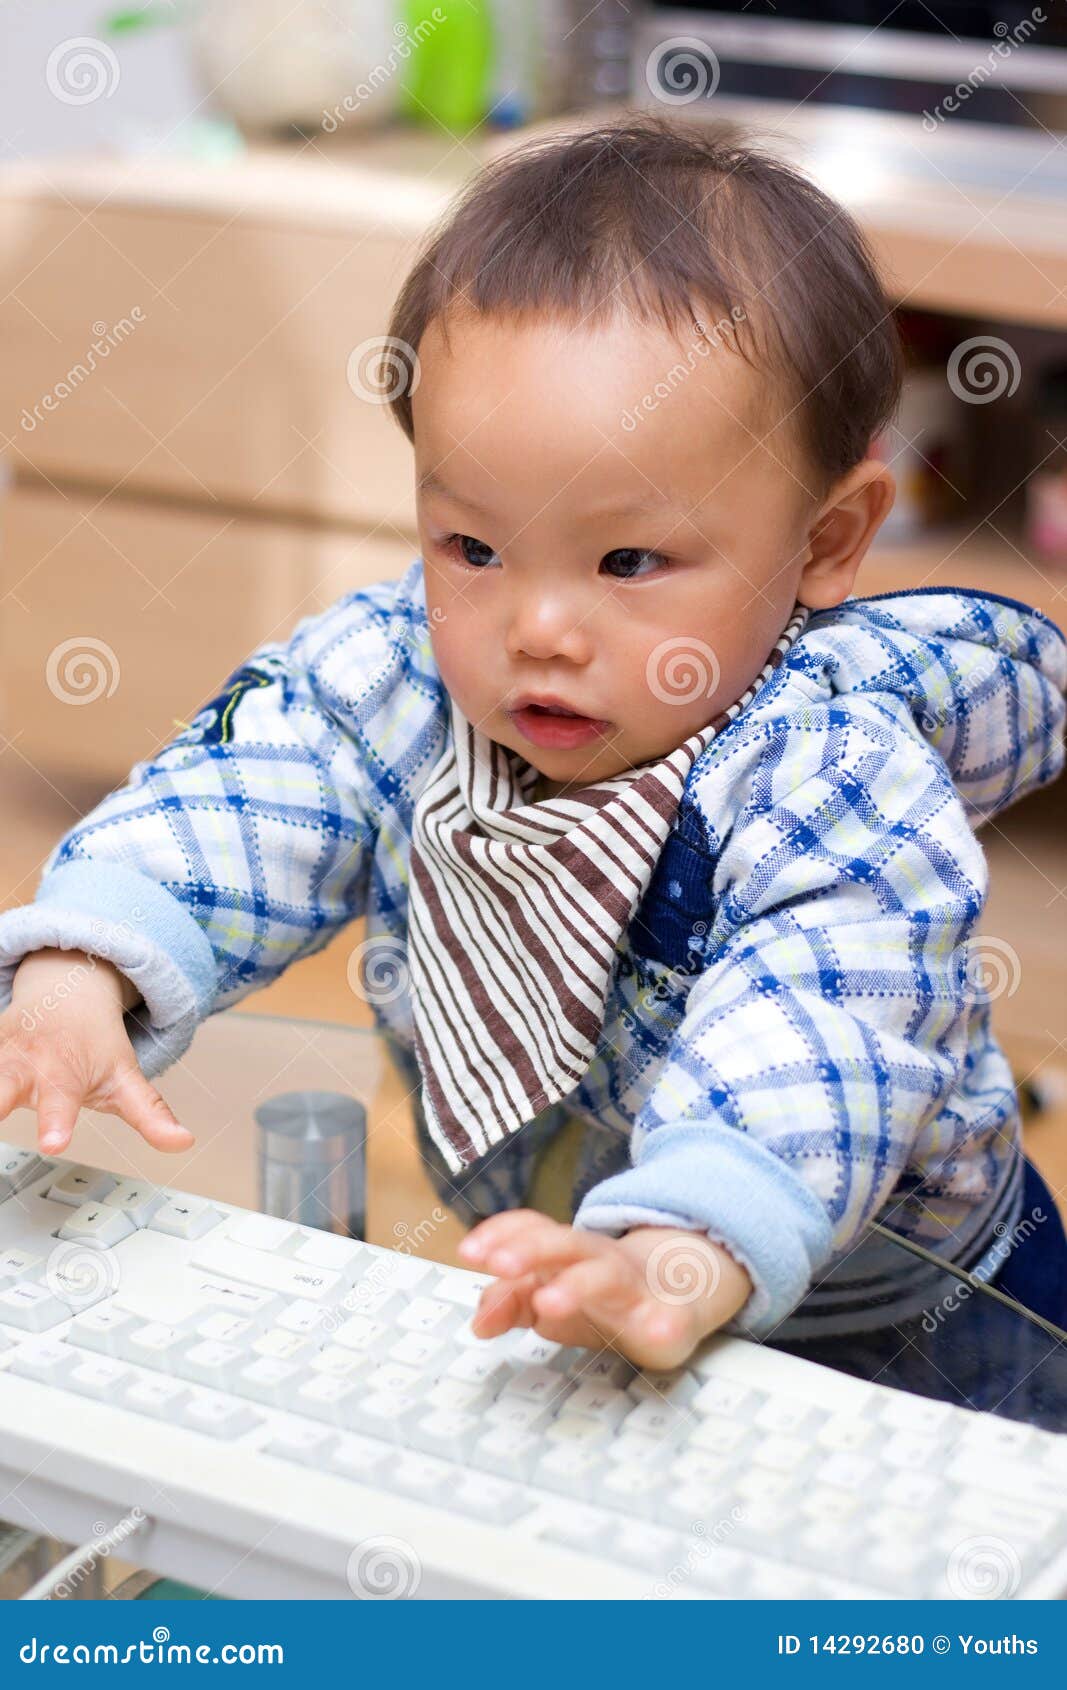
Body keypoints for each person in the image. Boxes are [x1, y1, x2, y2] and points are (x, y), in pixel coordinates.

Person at [0, 117, 1064, 1371]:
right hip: (577, 1257)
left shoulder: (830, 772)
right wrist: (83, 966)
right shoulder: (397, 669)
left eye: (626, 561)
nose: (537, 628)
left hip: (892, 1304)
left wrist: (679, 1248)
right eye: (472, 546)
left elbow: (819, 1025)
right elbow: (247, 789)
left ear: (826, 544)